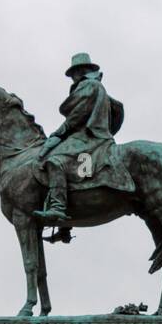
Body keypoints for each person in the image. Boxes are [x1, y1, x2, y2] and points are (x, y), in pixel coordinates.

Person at [34, 53, 126, 226]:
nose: (72, 78)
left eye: (74, 73)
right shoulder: (96, 87)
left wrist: (57, 134)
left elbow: (77, 116)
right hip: (94, 135)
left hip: (88, 137)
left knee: (55, 161)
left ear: (81, 71)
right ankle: (66, 225)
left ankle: (58, 207)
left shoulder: (88, 85)